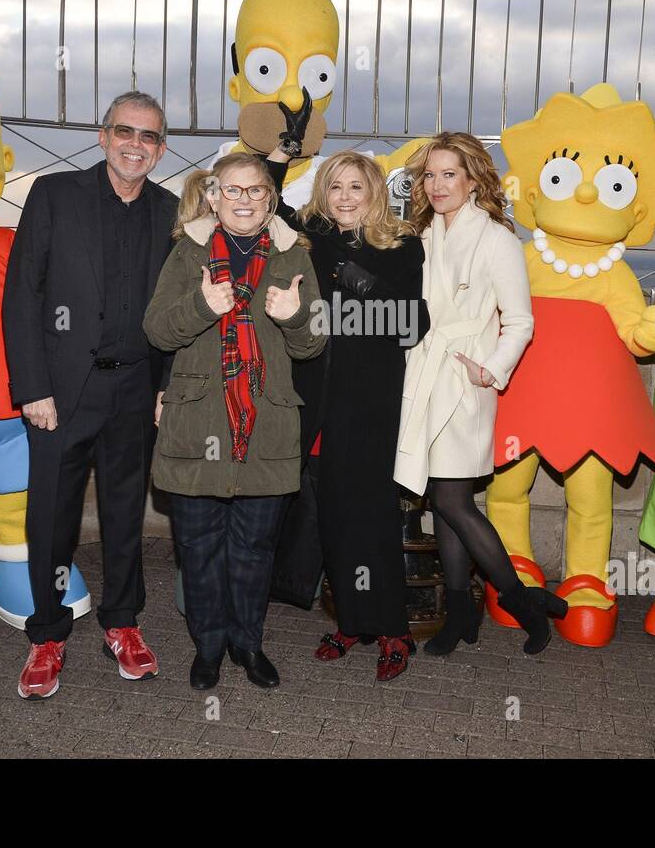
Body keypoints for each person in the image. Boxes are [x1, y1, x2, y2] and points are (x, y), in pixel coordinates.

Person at [2, 91, 177, 699]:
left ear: (161, 149)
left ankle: (123, 623)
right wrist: (32, 387)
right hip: (62, 392)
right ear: (103, 137)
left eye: (149, 136)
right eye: (125, 132)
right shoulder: (54, 196)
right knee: (51, 518)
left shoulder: (170, 211)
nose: (136, 144)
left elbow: (178, 313)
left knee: (126, 516)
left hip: (135, 389)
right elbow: (22, 295)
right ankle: (47, 636)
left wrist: (166, 387)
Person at [144, 152, 325, 691]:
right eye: (232, 190)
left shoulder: (297, 256)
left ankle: (248, 644)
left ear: (269, 198)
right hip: (197, 421)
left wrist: (294, 318)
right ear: (214, 196)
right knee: (198, 549)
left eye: (255, 191)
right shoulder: (187, 252)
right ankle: (208, 647)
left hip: (265, 424)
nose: (243, 200)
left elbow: (314, 341)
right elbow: (156, 330)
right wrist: (202, 305)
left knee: (254, 549)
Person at [393, 132, 568, 655]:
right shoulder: (420, 234)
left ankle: (520, 601)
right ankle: (462, 612)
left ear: (473, 179)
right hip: (424, 372)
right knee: (448, 501)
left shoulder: (496, 238)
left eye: (450, 173)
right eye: (430, 174)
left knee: (450, 496)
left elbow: (519, 321)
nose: (438, 184)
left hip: (468, 379)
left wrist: (489, 371)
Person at [265, 145, 430, 681]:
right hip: (316, 395)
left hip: (370, 398)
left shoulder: (402, 245)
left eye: (355, 187)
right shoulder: (309, 235)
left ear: (374, 193)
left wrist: (341, 267)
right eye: (335, 186)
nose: (344, 197)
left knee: (372, 513)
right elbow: (263, 204)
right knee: (330, 512)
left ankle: (393, 628)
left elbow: (411, 321)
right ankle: (352, 621)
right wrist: (273, 158)